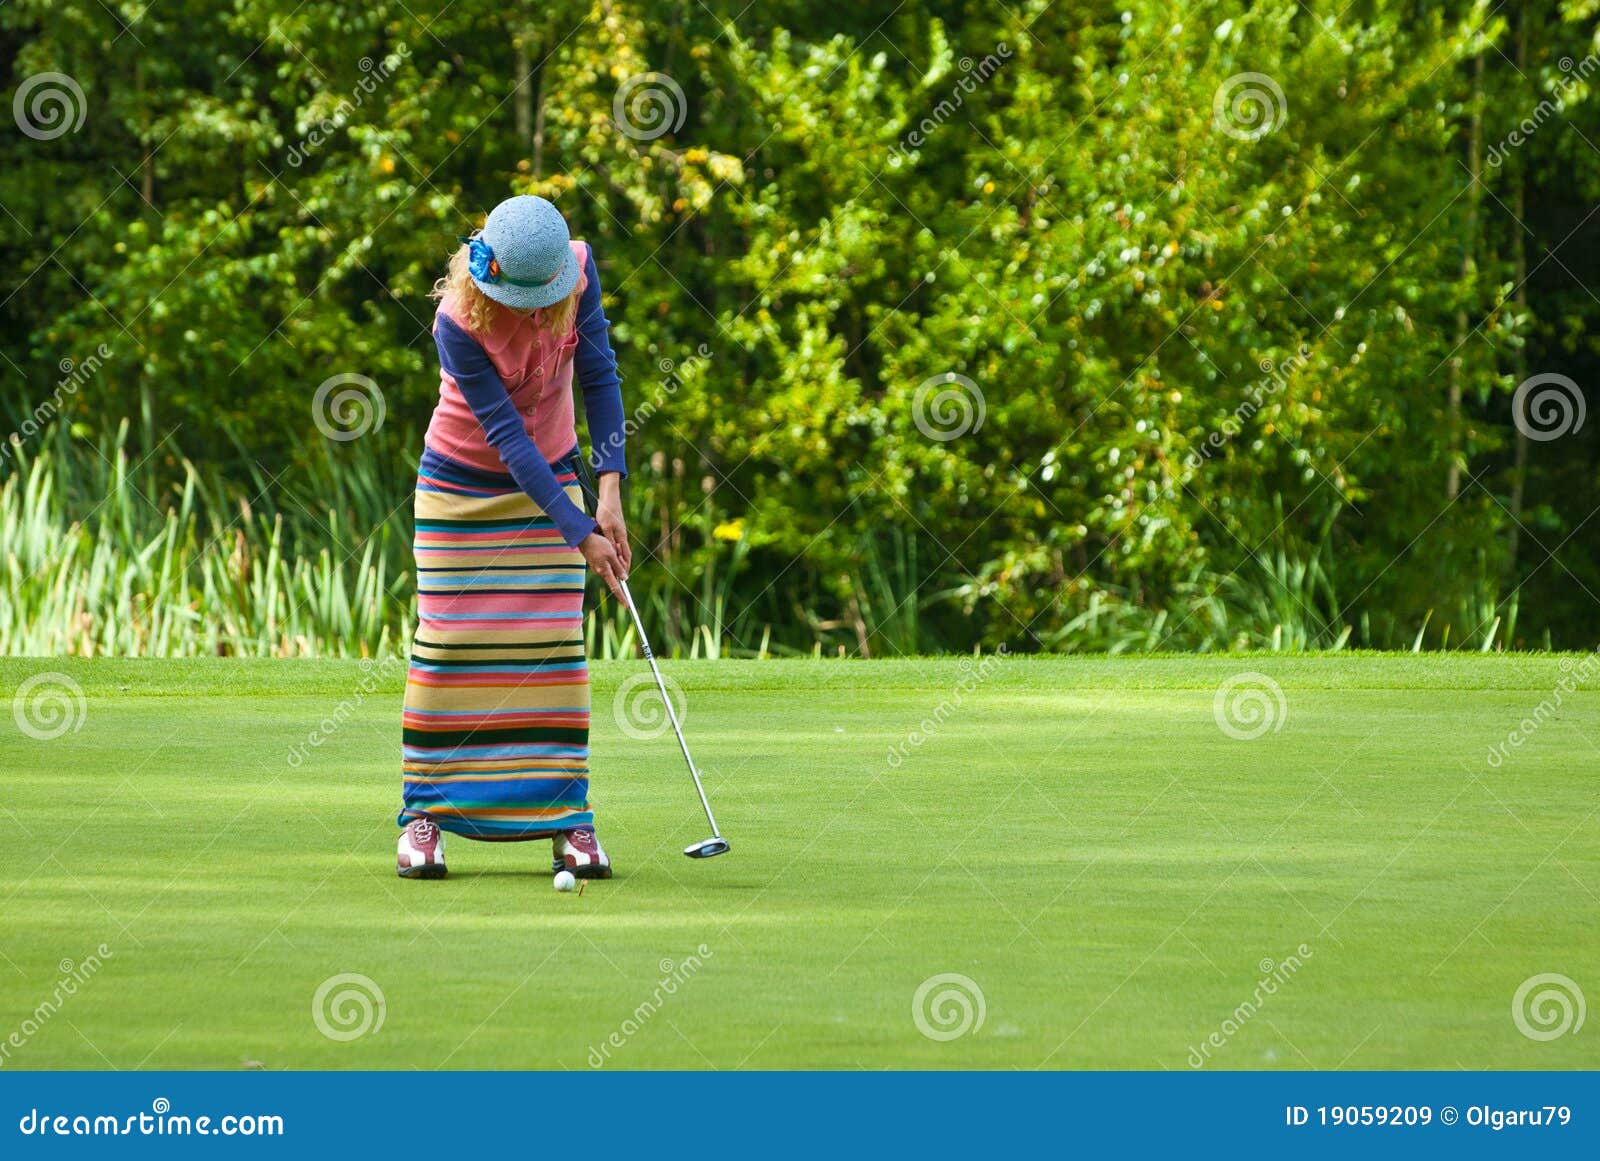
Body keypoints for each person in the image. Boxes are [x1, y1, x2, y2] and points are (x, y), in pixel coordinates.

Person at [395, 195, 630, 882]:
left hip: (557, 474)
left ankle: (569, 820)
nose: (535, 313)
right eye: (522, 300)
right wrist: (579, 530)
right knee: (446, 646)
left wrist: (609, 490)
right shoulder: (456, 323)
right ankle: (423, 817)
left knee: (554, 650)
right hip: (460, 487)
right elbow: (504, 436)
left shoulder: (580, 272)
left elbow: (600, 377)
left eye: (545, 297)